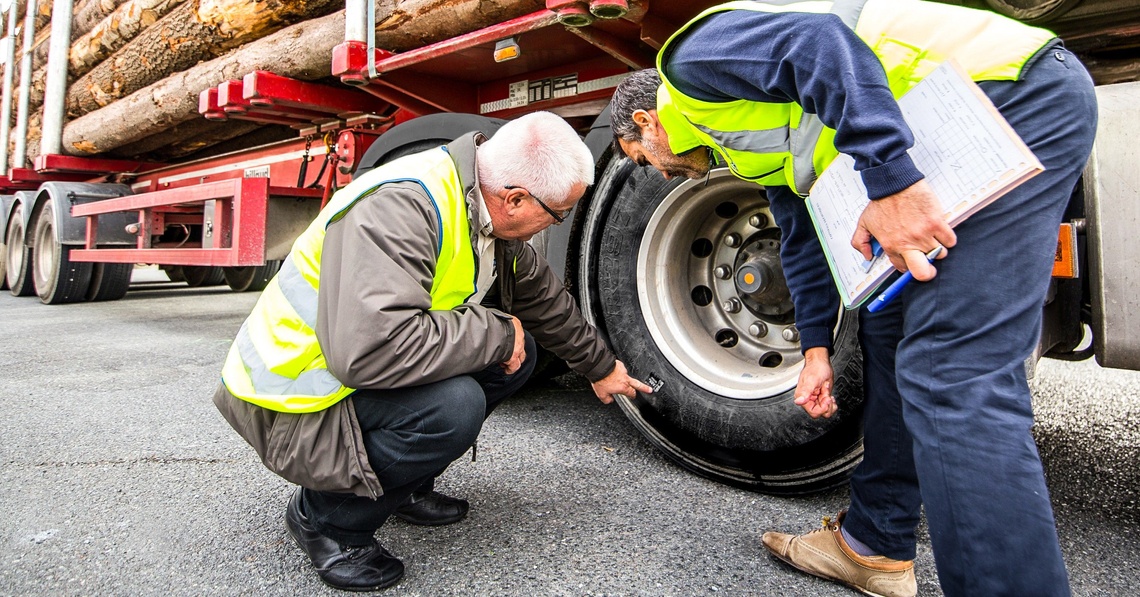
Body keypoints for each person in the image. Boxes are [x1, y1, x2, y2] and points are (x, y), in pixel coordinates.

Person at [608, 1, 1097, 596]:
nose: (657, 174)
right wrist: (815, 350)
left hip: (998, 94)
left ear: (646, 121)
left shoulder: (689, 66)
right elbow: (800, 234)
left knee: (951, 374)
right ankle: (875, 543)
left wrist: (890, 181)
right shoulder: (734, 143)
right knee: (888, 333)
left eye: (641, 159)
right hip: (953, 119)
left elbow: (819, 43)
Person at [213, 111, 653, 591]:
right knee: (452, 407)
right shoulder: (401, 208)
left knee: (516, 359)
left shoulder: (478, 203)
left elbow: (542, 300)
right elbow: (371, 349)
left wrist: (601, 367)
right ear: (515, 198)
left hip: (346, 373)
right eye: (559, 213)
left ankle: (403, 484)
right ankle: (325, 519)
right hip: (292, 397)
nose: (558, 222)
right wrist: (497, 332)